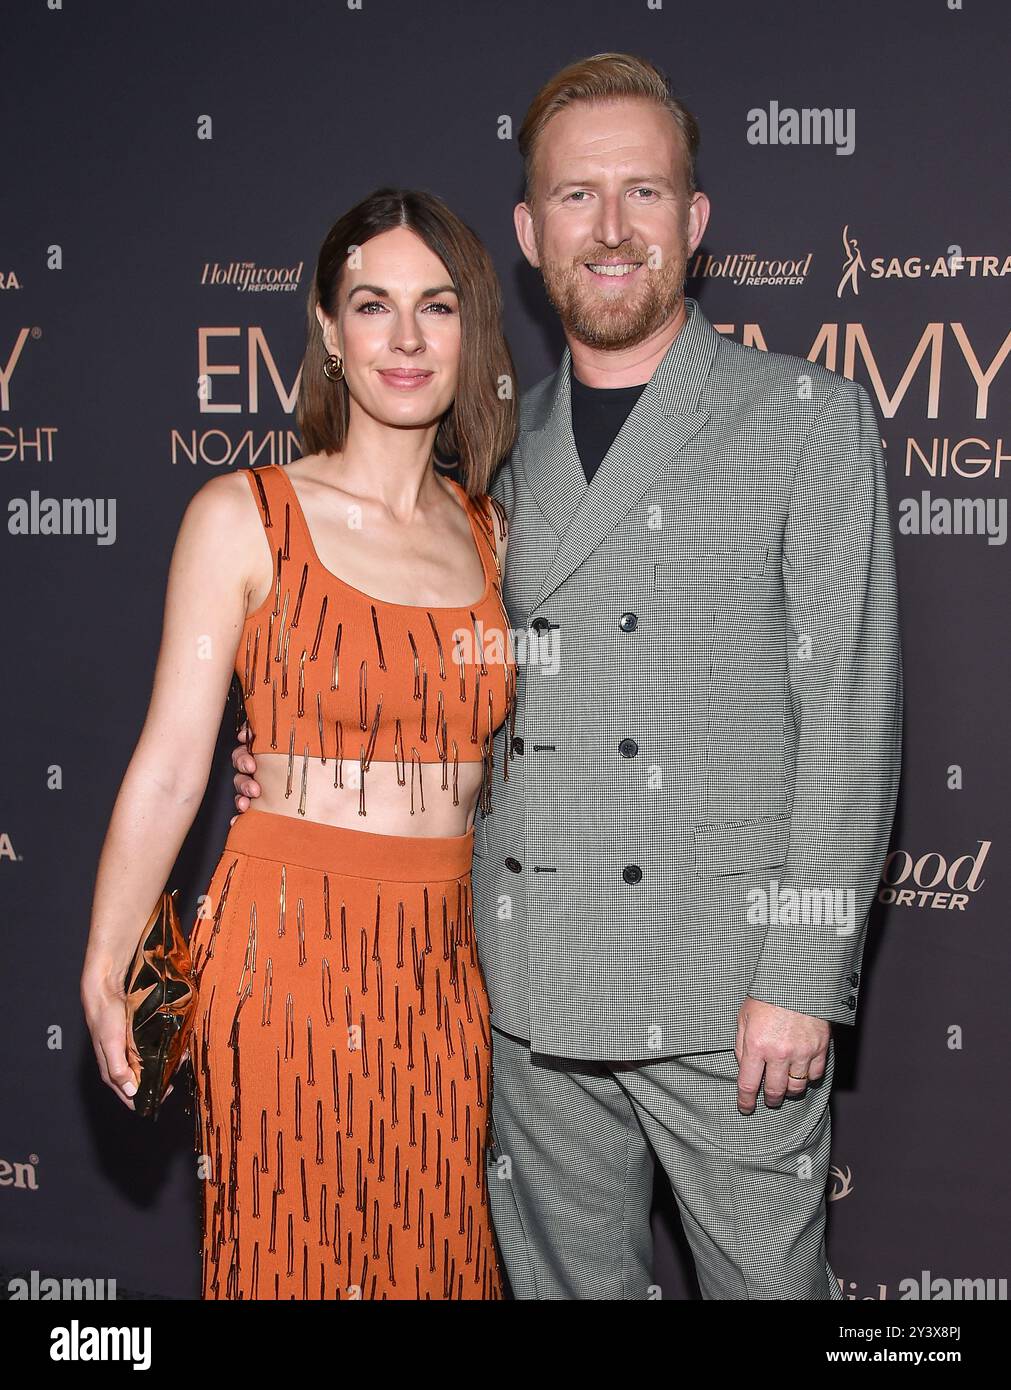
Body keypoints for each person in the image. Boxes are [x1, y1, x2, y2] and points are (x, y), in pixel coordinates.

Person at [81, 187, 518, 1300]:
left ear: (472, 327)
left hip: (443, 974)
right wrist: (105, 963)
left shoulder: (496, 534)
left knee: (442, 1270)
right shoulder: (243, 515)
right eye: (374, 306)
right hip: (284, 963)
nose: (407, 339)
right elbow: (175, 763)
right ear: (328, 330)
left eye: (437, 306)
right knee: (287, 1264)